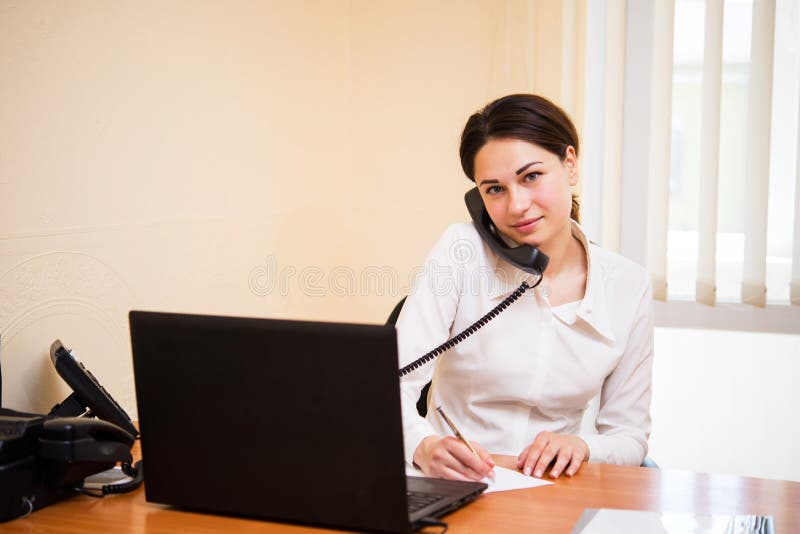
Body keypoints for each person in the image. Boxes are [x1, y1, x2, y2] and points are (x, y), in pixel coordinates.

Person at [396, 94, 653, 482]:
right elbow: (388, 387)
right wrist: (422, 444)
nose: (517, 206)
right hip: (453, 481)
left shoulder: (628, 285)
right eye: (494, 189)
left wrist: (584, 447)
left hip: (554, 488)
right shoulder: (461, 251)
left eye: (531, 176)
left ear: (569, 164)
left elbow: (630, 436)